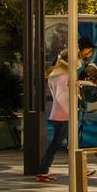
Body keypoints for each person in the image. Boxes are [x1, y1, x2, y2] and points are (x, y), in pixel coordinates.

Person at [36, 52, 72, 182]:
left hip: (58, 113)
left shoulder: (54, 75)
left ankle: (81, 168)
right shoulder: (64, 75)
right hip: (64, 114)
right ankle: (42, 171)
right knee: (56, 145)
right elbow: (62, 96)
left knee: (72, 144)